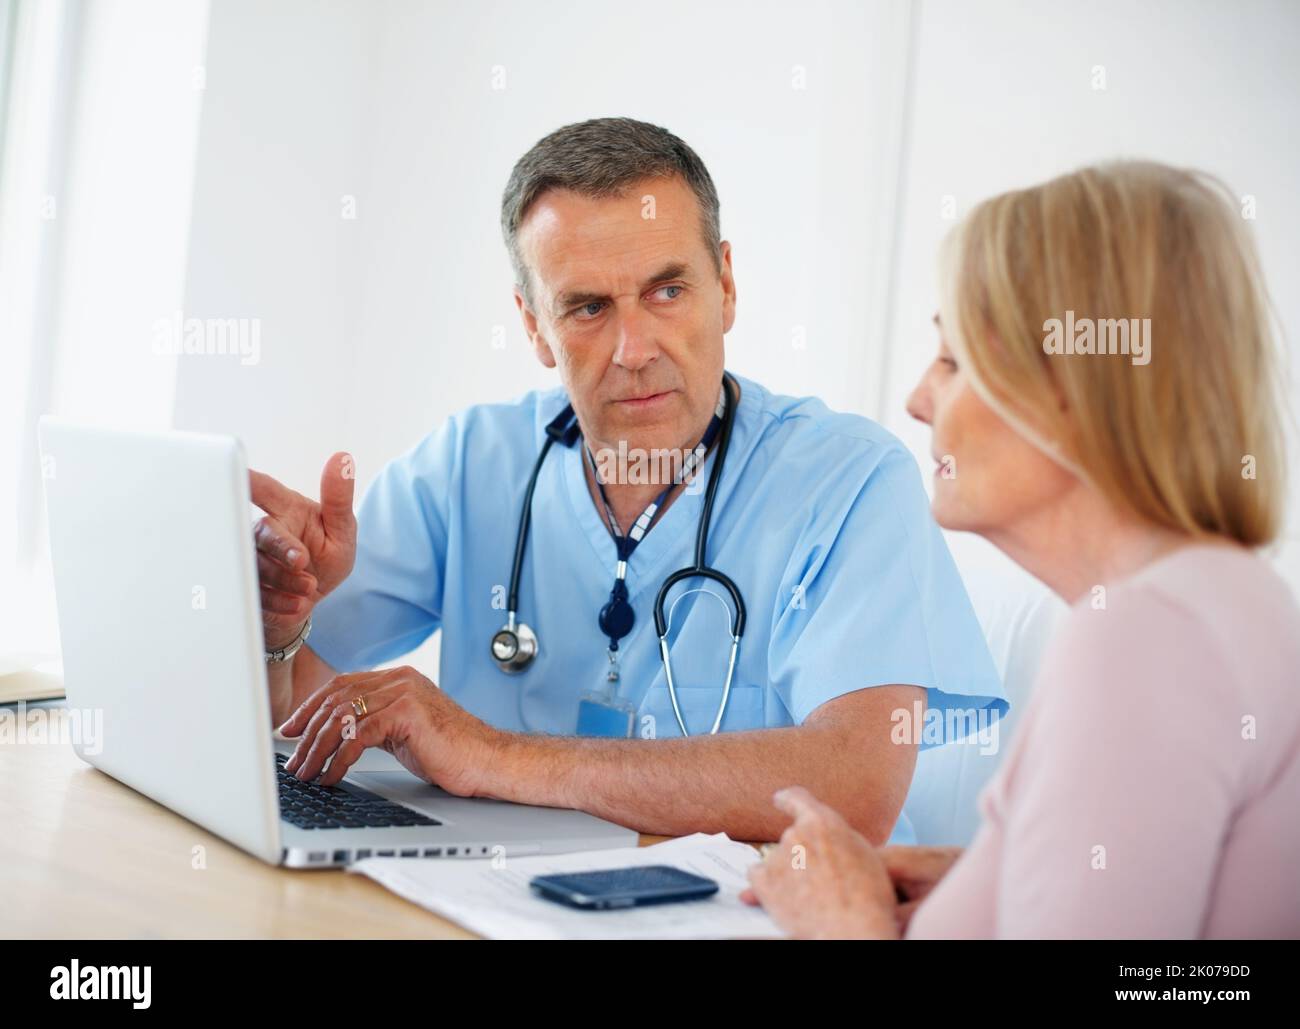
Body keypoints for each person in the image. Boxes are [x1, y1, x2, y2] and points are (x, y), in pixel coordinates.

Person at [249, 117, 1004, 843]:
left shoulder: (848, 482)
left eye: (667, 291)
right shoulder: (471, 463)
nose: (635, 348)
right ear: (535, 325)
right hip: (493, 906)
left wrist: (491, 753)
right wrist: (278, 633)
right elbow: (300, 702)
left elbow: (853, 786)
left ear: (727, 284)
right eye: (587, 307)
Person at [744, 160, 1300, 936]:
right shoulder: (1234, 598)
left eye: (953, 360)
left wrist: (844, 922)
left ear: (1070, 384)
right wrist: (997, 884)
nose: (916, 399)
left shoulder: (1143, 637)